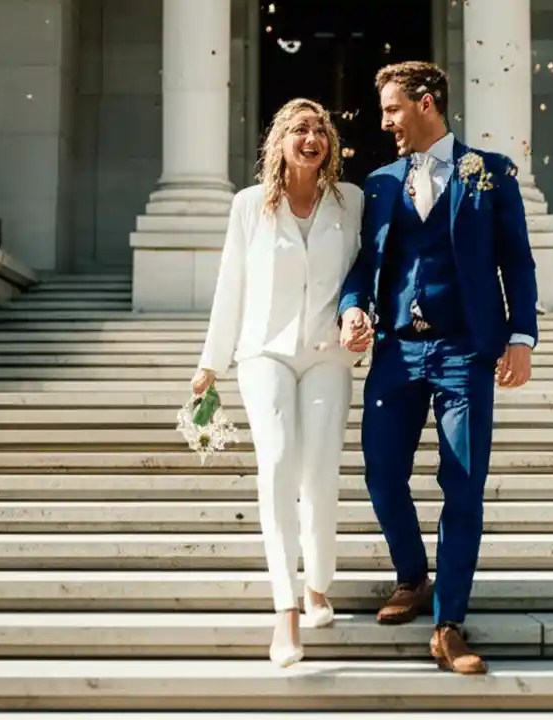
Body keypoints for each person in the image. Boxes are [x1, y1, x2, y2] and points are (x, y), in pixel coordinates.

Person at [338, 61, 539, 675]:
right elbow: (358, 267)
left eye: (393, 109)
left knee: (463, 483)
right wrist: (352, 310)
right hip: (396, 351)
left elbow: (518, 263)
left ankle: (449, 622)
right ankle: (411, 575)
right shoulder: (376, 185)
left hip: (465, 352)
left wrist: (522, 336)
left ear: (427, 103)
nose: (385, 122)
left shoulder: (491, 173)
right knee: (381, 473)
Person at [193, 98, 363, 668]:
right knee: (278, 463)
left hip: (328, 353)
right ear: (279, 142)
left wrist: (366, 322)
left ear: (330, 144)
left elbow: (368, 273)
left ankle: (318, 583)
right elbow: (229, 285)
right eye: (298, 129)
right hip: (262, 352)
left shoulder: (352, 203)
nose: (310, 137)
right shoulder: (249, 207)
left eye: (319, 129)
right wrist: (210, 363)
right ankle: (285, 611)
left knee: (319, 469)